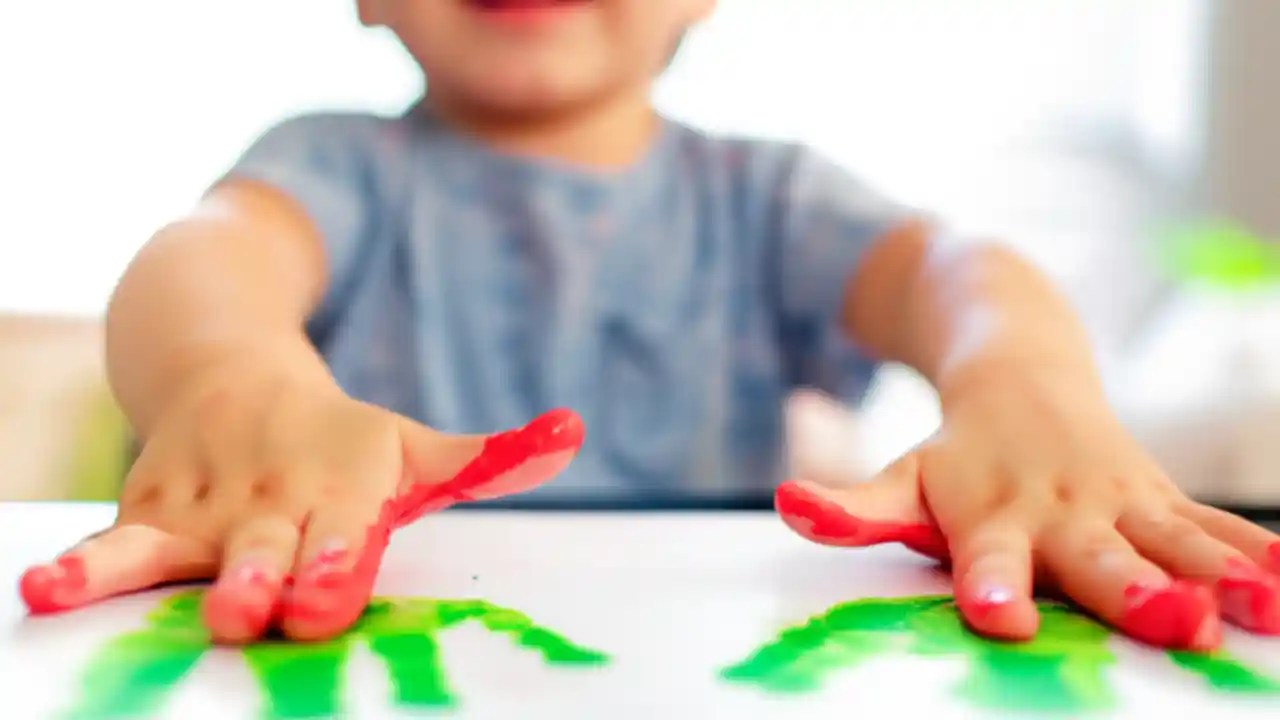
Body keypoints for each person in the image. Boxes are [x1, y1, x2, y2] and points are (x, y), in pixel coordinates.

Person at [20, 0, 1279, 648]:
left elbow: (954, 270)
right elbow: (211, 257)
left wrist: (1026, 390)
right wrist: (230, 377)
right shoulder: (329, 167)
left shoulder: (766, 197)